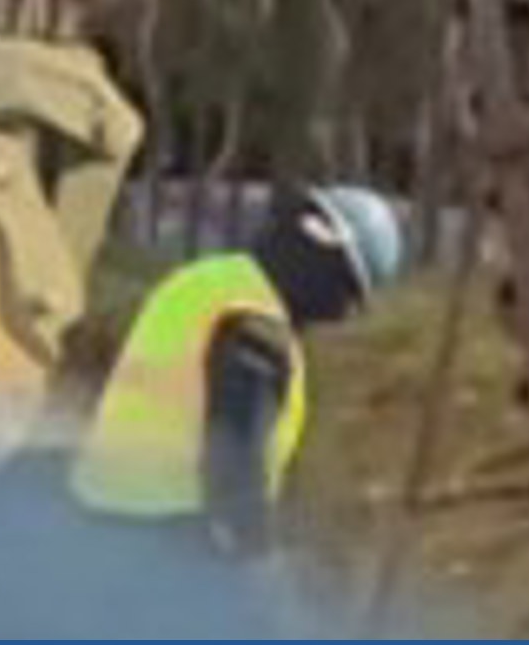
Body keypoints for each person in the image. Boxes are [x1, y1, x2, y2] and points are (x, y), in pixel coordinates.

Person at [67, 185, 405, 562]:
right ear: (329, 267)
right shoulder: (255, 324)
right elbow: (236, 452)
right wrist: (254, 555)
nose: (340, 315)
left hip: (98, 514)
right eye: (348, 295)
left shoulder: (206, 282)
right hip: (170, 536)